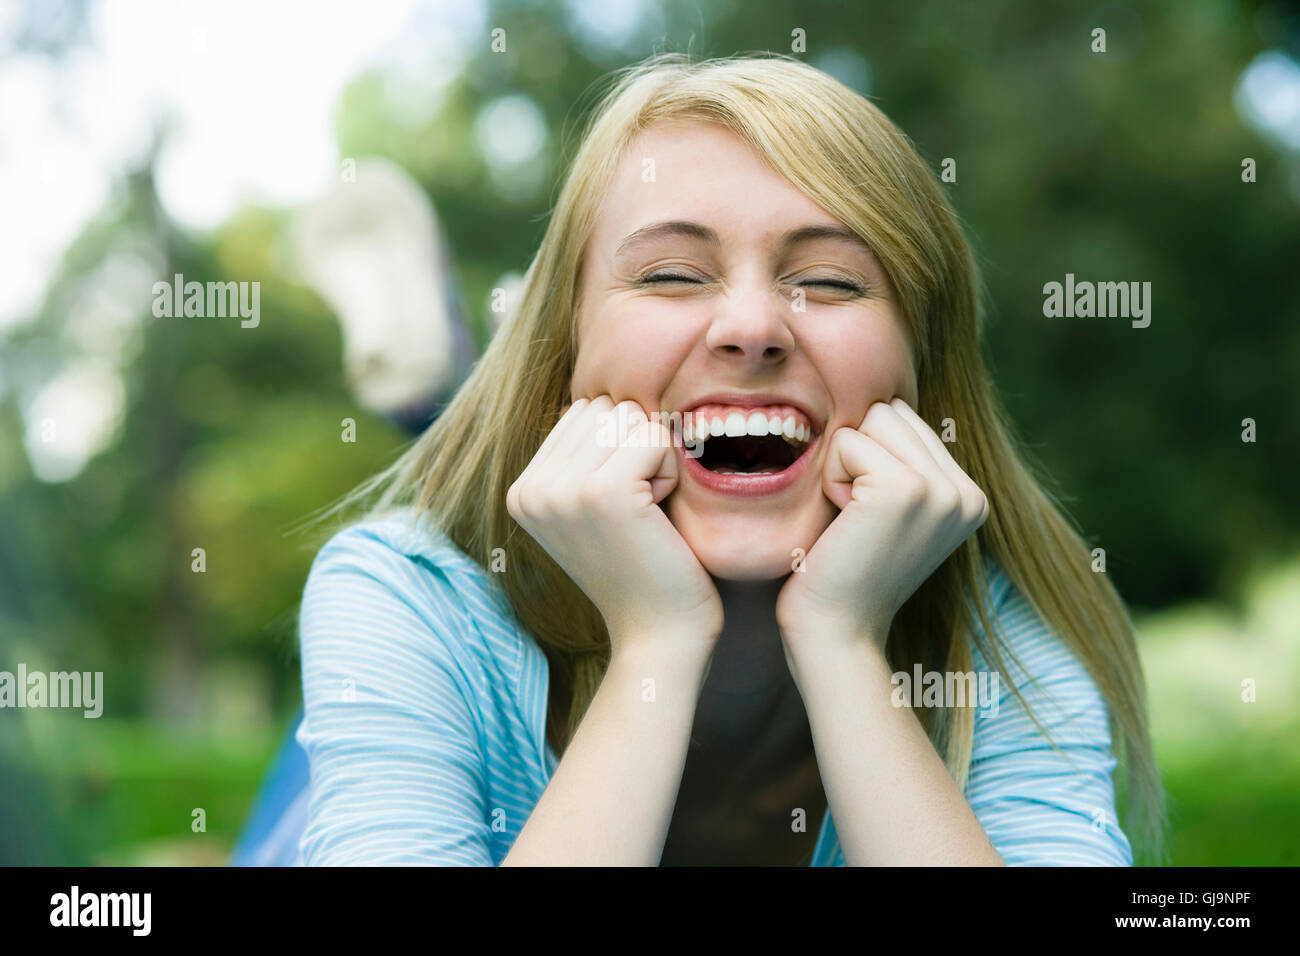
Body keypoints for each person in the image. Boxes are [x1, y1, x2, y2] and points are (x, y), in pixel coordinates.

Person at [240, 51, 1165, 866]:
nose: (754, 328)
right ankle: (449, 392)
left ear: (925, 368)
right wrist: (656, 644)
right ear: (566, 356)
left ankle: (450, 382)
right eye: (672, 274)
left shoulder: (1002, 636)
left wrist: (842, 645)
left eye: (831, 281)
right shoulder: (408, 592)